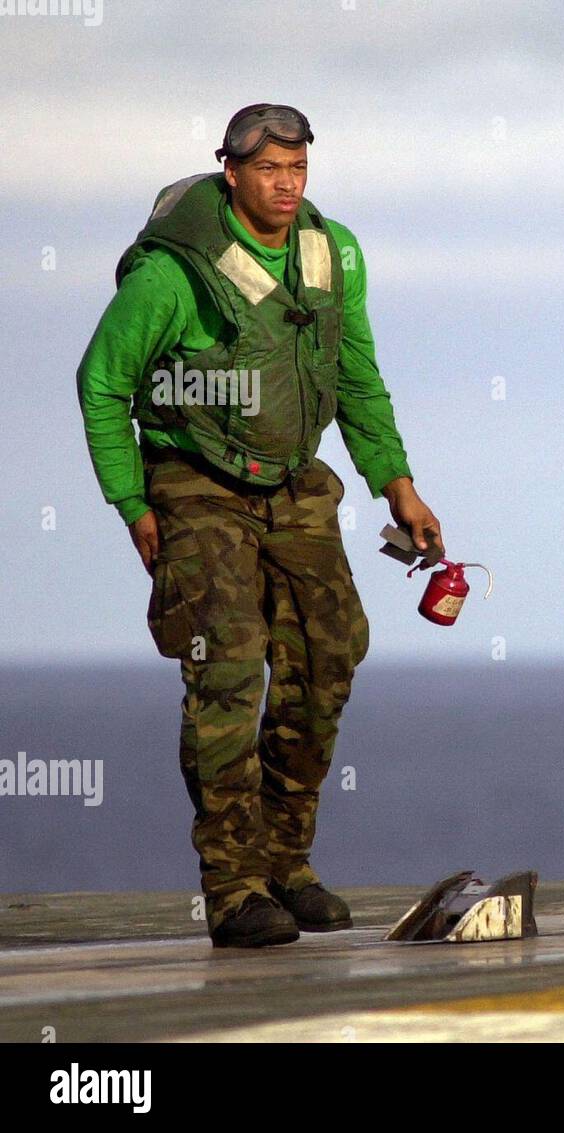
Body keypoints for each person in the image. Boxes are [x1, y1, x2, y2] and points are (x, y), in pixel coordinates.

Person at [76, 104, 444, 948]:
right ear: (231, 172)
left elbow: (356, 375)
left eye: (298, 167)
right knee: (229, 667)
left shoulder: (331, 254)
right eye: (269, 168)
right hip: (195, 481)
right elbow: (102, 385)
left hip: (291, 479)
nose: (286, 183)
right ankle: (234, 887)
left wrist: (396, 483)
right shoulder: (173, 277)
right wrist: (132, 504)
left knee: (328, 652)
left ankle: (285, 860)